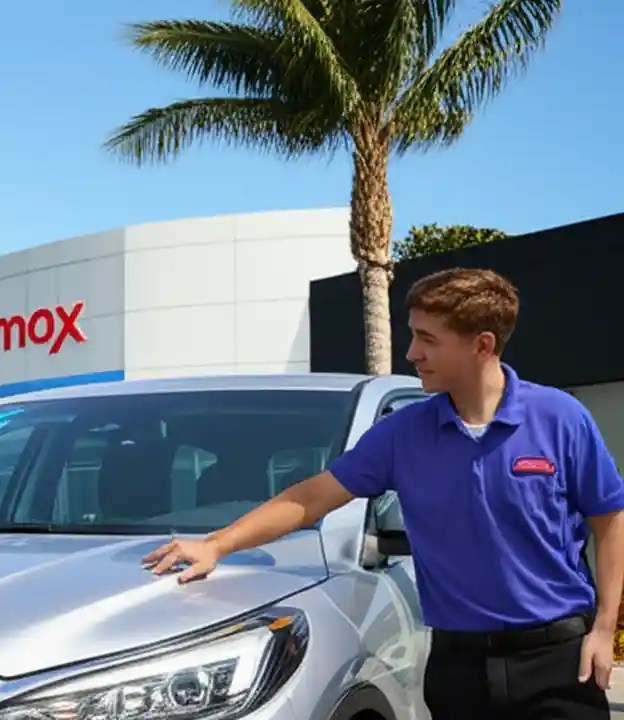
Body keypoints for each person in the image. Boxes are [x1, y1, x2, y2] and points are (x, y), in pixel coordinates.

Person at [142, 268, 624, 719]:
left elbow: (609, 520)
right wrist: (217, 544)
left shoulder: (560, 418)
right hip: (459, 668)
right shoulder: (403, 433)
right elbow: (311, 498)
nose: (412, 353)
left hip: (560, 661)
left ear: (482, 345)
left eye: (427, 340)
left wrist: (604, 629)